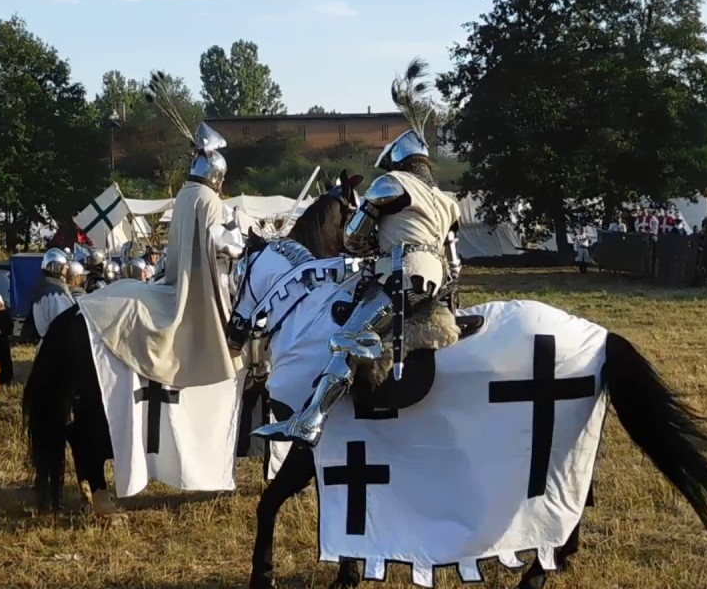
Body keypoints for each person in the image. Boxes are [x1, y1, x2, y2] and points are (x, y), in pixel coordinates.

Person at [254, 57, 462, 447]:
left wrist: (370, 243)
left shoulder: (391, 184)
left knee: (346, 339)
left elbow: (351, 237)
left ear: (397, 161)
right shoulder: (444, 199)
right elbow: (455, 262)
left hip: (400, 279)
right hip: (435, 286)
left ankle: (309, 421)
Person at [76, 70, 244, 390]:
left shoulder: (185, 194)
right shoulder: (209, 200)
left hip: (176, 275)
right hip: (198, 292)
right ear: (217, 177)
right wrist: (243, 245)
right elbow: (219, 251)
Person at [25, 248, 76, 340]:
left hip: (48, 341)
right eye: (65, 265)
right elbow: (64, 322)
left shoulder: (43, 286)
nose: (68, 268)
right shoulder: (55, 293)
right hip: (57, 343)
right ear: (56, 266)